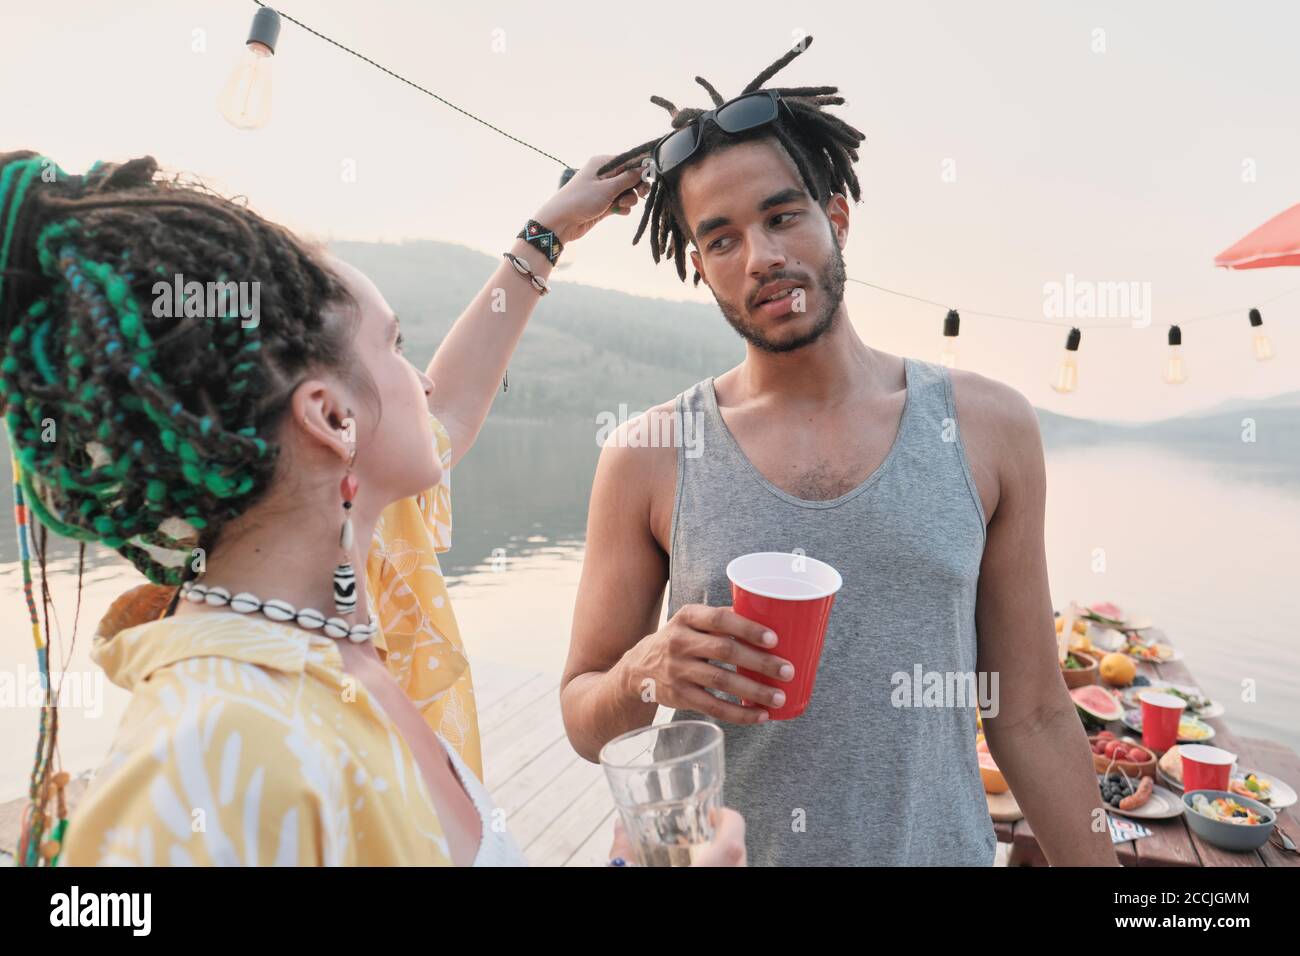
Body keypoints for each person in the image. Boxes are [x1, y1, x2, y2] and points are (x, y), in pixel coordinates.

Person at [0, 148, 744, 865]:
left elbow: (447, 407)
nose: (421, 383)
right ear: (330, 420)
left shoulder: (340, 632)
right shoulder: (207, 757)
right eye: (395, 345)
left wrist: (546, 235)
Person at [560, 38, 1119, 865]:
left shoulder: (988, 427)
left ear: (838, 216)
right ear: (698, 266)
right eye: (721, 240)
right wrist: (647, 669)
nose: (764, 258)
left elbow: (1031, 710)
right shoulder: (648, 454)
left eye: (783, 216)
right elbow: (584, 710)